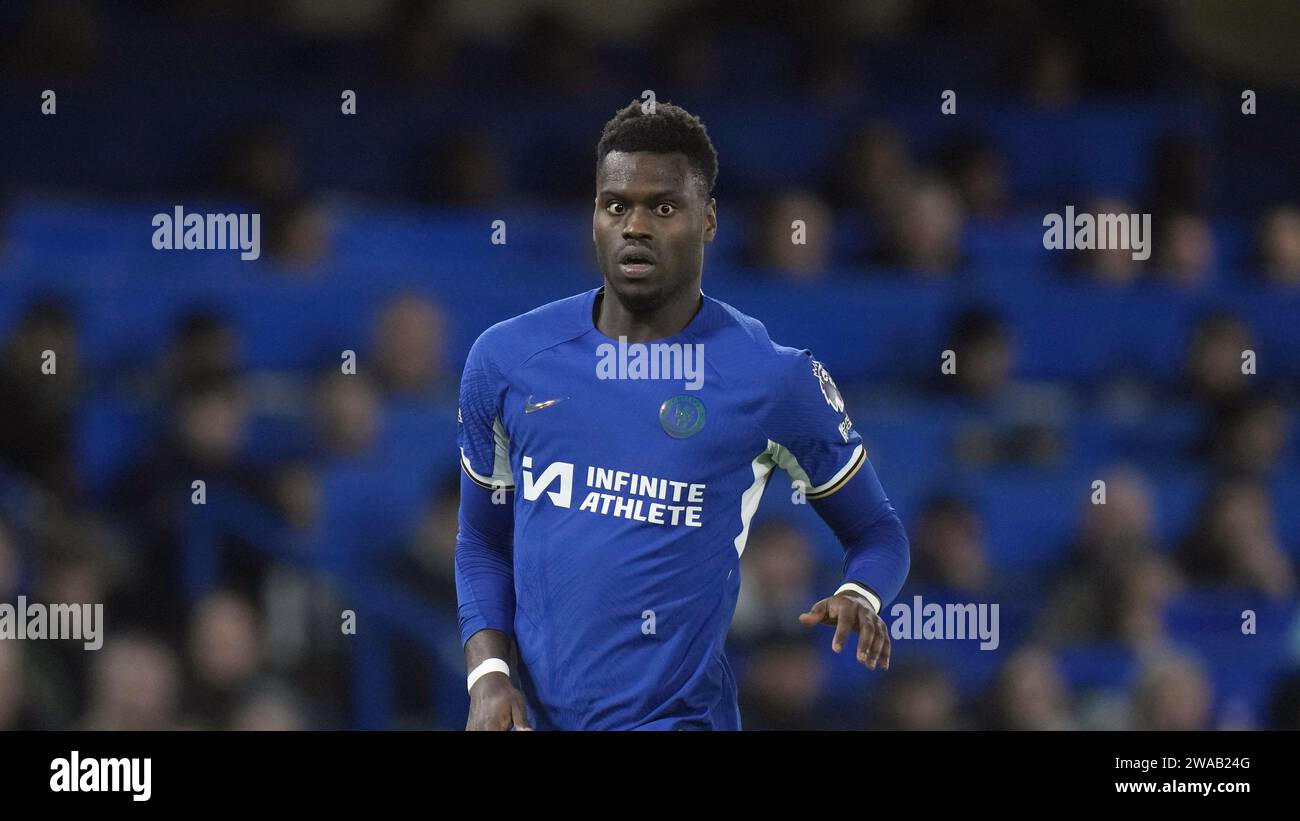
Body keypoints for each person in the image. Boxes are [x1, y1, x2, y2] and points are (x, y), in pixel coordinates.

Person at [454, 100, 910, 730]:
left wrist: (861, 593)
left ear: (709, 221)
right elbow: (482, 540)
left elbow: (878, 531)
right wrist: (489, 676)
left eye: (662, 207)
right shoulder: (506, 360)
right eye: (616, 205)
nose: (634, 226)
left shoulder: (772, 378)